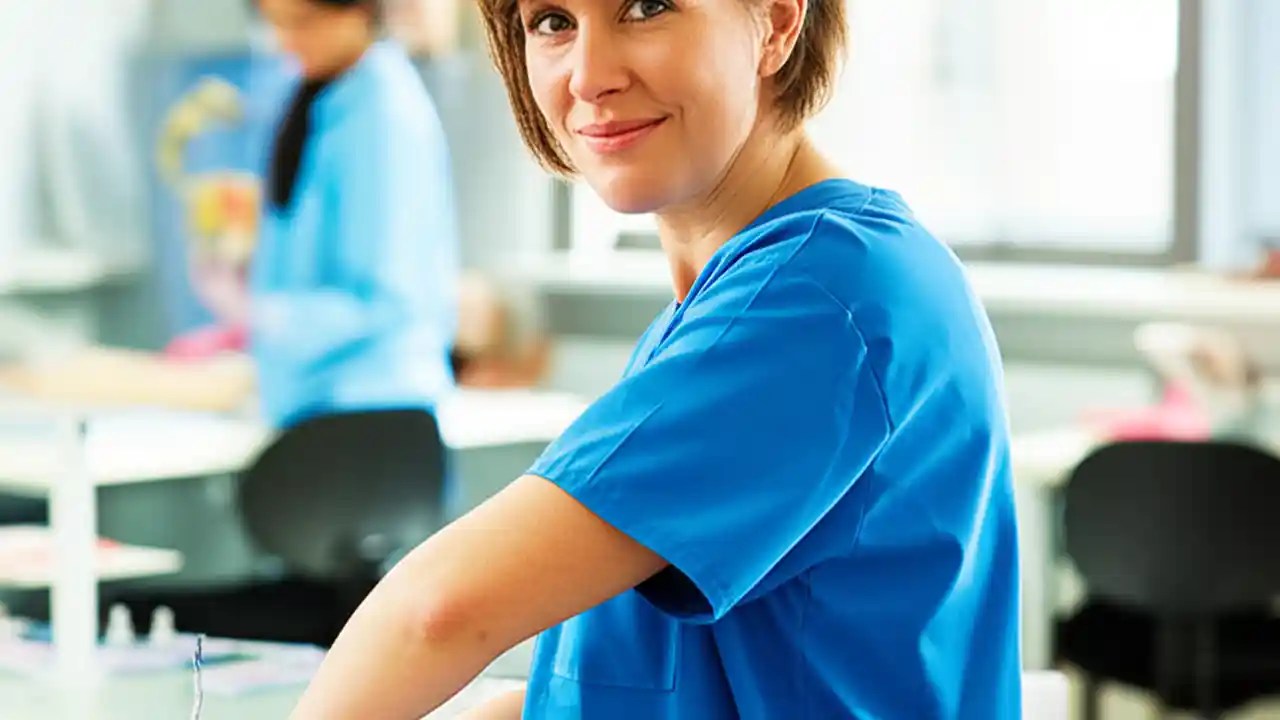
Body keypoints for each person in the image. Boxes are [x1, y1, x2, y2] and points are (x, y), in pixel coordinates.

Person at [287, 0, 1022, 714]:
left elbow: (441, 612)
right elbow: (681, 667)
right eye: (552, 21)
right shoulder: (740, 298)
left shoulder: (819, 299)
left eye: (646, 7)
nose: (588, 75)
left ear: (776, 22)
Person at [0, 0, 460, 431]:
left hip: (371, 410)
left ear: (360, 10)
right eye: (274, 24)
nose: (285, 42)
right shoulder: (321, 100)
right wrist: (247, 296)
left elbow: (387, 300)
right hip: (316, 406)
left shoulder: (384, 115)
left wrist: (266, 316)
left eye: (301, 22)